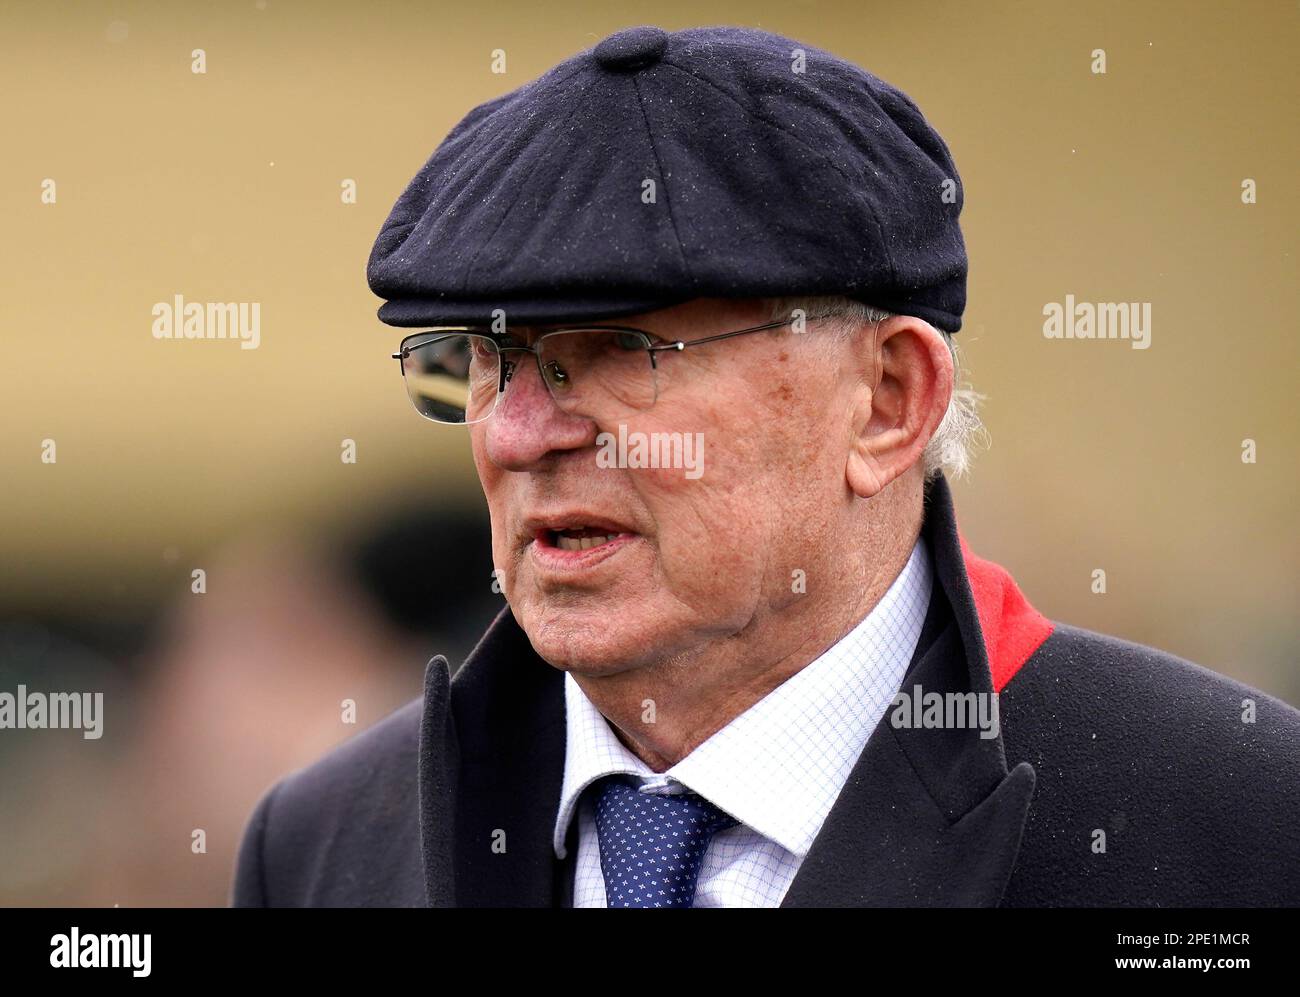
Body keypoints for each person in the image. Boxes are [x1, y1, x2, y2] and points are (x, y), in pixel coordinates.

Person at [231, 25, 1300, 907]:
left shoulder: (1232, 822)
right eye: (483, 362)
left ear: (886, 402)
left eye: (618, 353)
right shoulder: (328, 849)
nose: (517, 435)